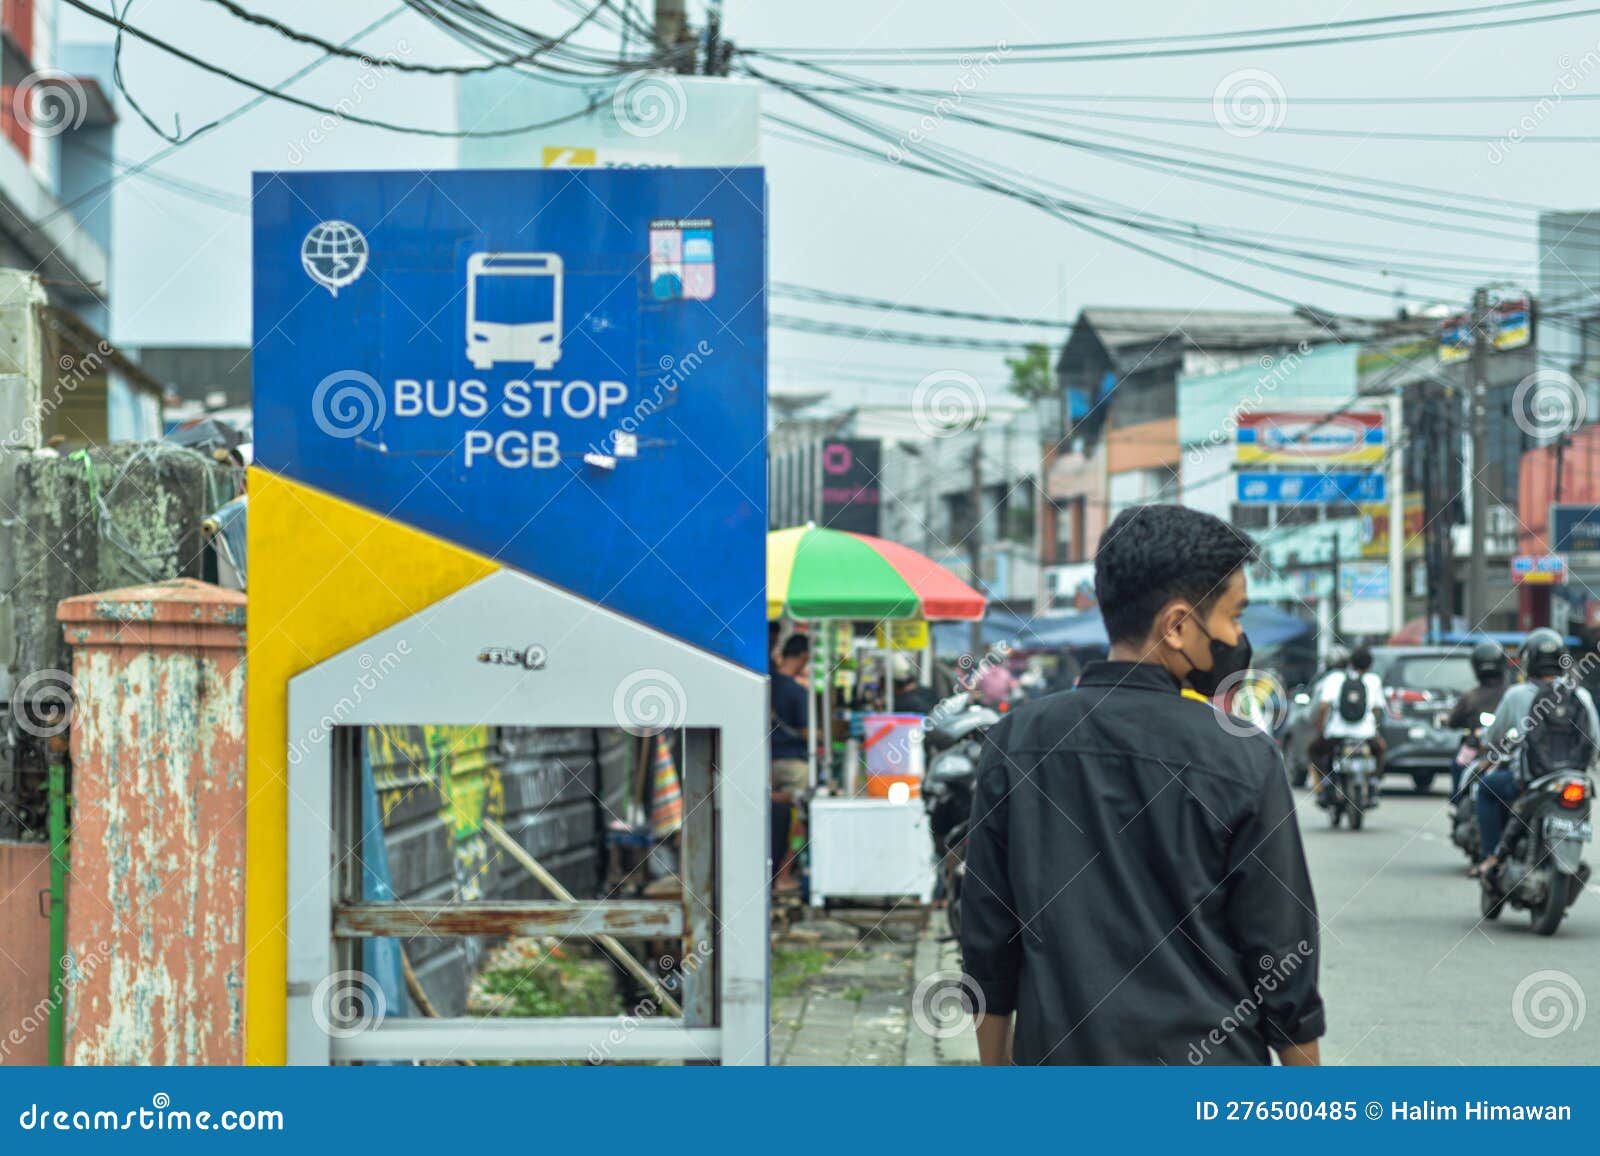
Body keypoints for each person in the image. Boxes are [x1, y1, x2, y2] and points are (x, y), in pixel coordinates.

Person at [961, 504, 1323, 1066]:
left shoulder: (1016, 743)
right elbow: (1280, 957)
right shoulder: (1244, 757)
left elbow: (988, 943)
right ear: (1176, 626)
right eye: (1233, 616)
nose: (1238, 636)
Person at [1474, 628, 1599, 878]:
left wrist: (1485, 741)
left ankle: (1490, 857)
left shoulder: (1517, 694)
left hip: (1531, 777)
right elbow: (1595, 738)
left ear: (1528, 660)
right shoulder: (1580, 695)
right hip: (1574, 778)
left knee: (1485, 789)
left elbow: (1492, 736)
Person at [1309, 644, 1387, 798]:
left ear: (1351, 662)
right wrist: (1375, 730)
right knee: (1381, 750)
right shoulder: (1374, 680)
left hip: (1337, 734)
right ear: (1370, 665)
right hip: (1366, 735)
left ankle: (1327, 782)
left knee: (1314, 750)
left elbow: (1323, 707)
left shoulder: (1334, 679)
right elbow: (1377, 709)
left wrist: (1320, 731)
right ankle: (1373, 783)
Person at [769, 634, 812, 893]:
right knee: (799, 819)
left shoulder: (765, 684)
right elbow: (807, 732)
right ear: (804, 656)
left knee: (765, 815)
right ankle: (783, 875)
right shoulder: (797, 692)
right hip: (794, 765)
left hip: (765, 762)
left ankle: (765, 870)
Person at [1444, 640, 1508, 796]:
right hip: (1503, 748)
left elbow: (1453, 721)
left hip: (1491, 749)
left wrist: (1447, 720)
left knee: (1458, 765)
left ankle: (1458, 797)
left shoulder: (1470, 697)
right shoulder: (1512, 693)